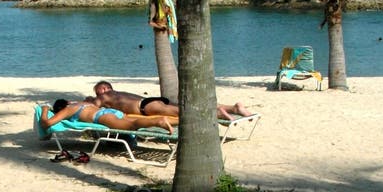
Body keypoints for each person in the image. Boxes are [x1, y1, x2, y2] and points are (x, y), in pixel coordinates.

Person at [93, 80, 254, 122]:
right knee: (185, 107)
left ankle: (217, 113)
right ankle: (234, 108)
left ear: (104, 88)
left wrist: (89, 100)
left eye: (97, 91)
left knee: (182, 112)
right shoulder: (120, 93)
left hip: (144, 107)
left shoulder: (103, 96)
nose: (97, 94)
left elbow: (93, 108)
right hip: (149, 101)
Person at [40, 98, 175, 133]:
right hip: (111, 112)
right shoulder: (82, 103)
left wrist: (45, 109)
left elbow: (46, 124)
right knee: (137, 120)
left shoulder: (67, 110)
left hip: (102, 117)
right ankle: (179, 122)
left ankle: (159, 122)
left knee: (131, 126)